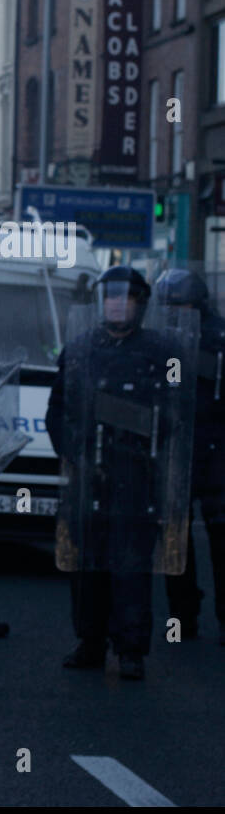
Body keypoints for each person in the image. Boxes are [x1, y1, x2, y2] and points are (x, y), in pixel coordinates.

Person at [46, 266, 195, 680]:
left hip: (136, 474)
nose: (116, 303)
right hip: (88, 475)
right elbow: (59, 408)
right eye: (110, 296)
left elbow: (176, 409)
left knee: (130, 566)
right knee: (86, 563)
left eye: (124, 297)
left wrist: (138, 433)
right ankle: (89, 641)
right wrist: (73, 452)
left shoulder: (163, 352)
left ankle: (131, 649)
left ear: (140, 304)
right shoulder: (79, 348)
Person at [155, 270, 225, 644]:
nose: (172, 313)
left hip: (214, 447)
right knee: (174, 539)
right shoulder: (163, 338)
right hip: (179, 447)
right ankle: (183, 618)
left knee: (218, 536)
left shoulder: (216, 338)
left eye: (178, 307)